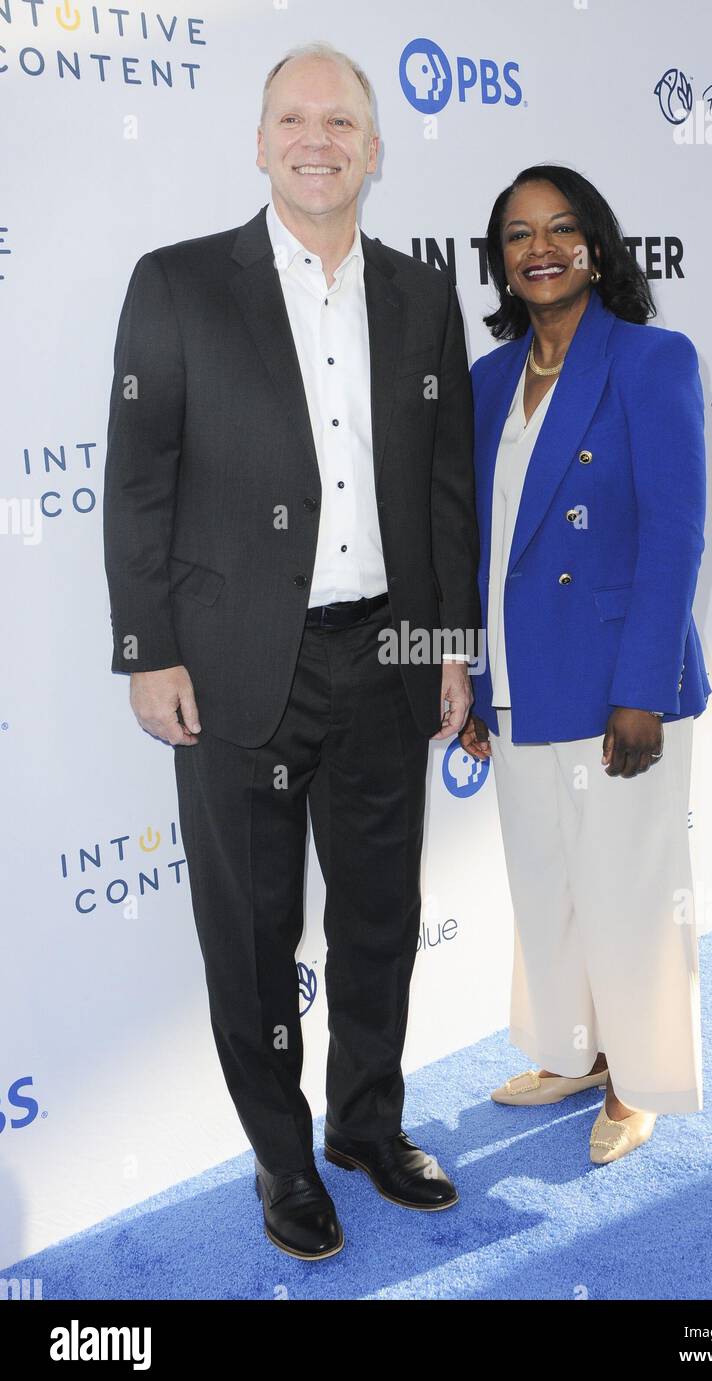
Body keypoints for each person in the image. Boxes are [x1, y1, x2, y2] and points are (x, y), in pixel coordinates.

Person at [103, 42, 480, 1259]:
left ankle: (369, 1126)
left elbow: (443, 494)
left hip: (385, 659)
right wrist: (147, 648)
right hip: (229, 671)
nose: (317, 139)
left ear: (375, 149)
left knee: (378, 914)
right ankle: (281, 1160)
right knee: (253, 940)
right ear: (259, 144)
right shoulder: (176, 286)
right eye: (293, 119)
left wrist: (450, 648)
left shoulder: (423, 296)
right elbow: (139, 482)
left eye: (341, 121)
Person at [461, 164, 711, 1165]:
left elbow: (675, 530)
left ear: (596, 247)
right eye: (520, 233)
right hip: (520, 683)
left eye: (561, 227)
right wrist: (472, 680)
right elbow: (472, 545)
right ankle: (578, 1050)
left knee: (629, 888)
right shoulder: (486, 382)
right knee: (547, 884)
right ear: (502, 260)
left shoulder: (653, 360)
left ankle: (640, 1079)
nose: (541, 246)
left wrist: (642, 687)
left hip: (618, 682)